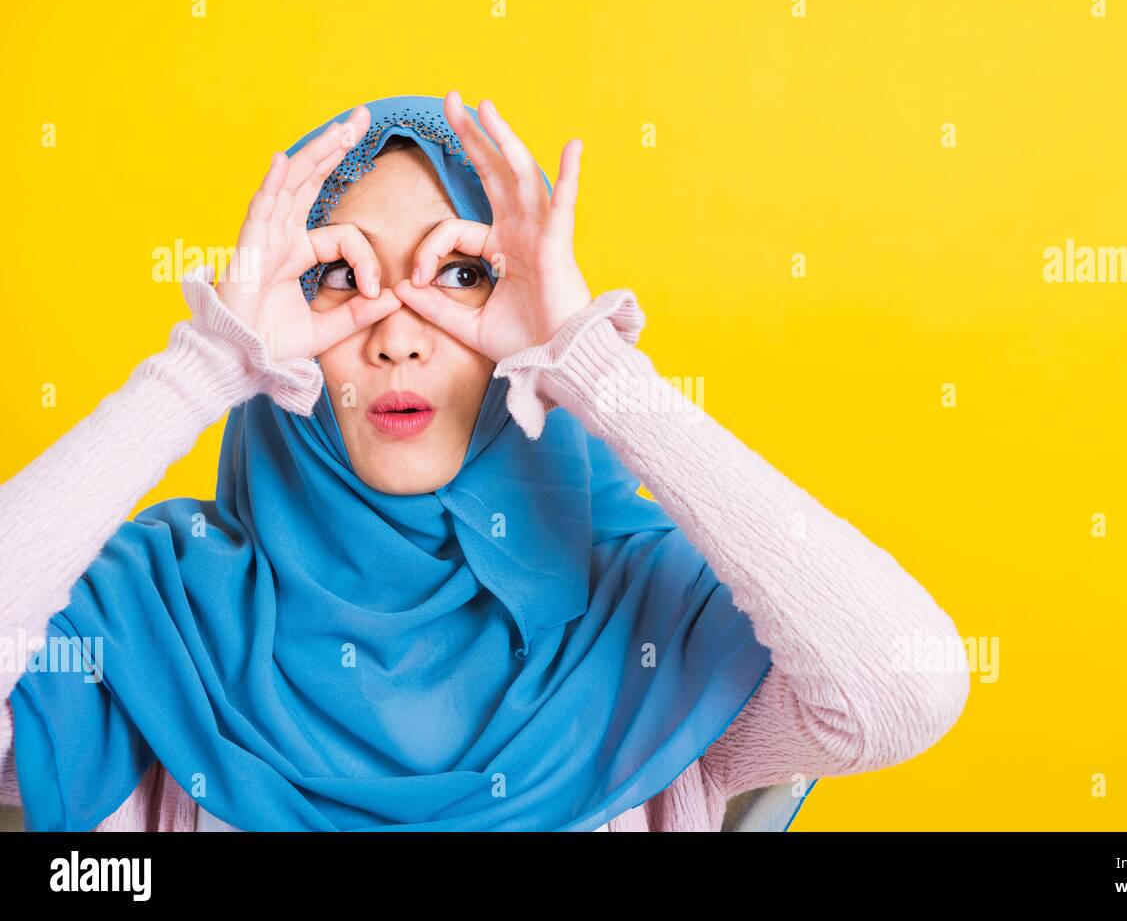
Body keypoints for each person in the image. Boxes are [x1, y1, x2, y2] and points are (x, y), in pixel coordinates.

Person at [0, 93, 970, 832]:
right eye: (337, 279)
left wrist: (590, 365)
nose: (398, 338)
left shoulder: (647, 616)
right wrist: (201, 370)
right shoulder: (147, 609)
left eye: (461, 277)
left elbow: (904, 687)